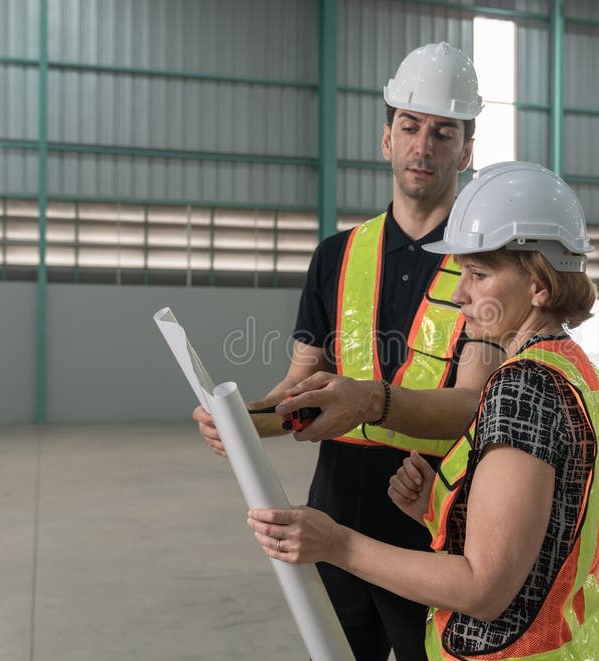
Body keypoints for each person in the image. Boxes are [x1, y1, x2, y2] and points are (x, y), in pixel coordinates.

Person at [193, 43, 502, 661]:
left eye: (444, 132)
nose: (424, 146)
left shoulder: (484, 266)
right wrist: (244, 421)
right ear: (386, 139)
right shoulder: (335, 255)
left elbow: (471, 404)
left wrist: (371, 401)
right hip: (332, 510)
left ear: (467, 150)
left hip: (430, 518)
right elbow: (300, 385)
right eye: (410, 127)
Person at [246, 161, 599, 661]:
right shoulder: (585, 377)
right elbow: (552, 525)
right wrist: (444, 507)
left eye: (479, 274)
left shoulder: (522, 389)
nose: (459, 294)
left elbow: (482, 590)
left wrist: (336, 544)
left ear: (538, 285)